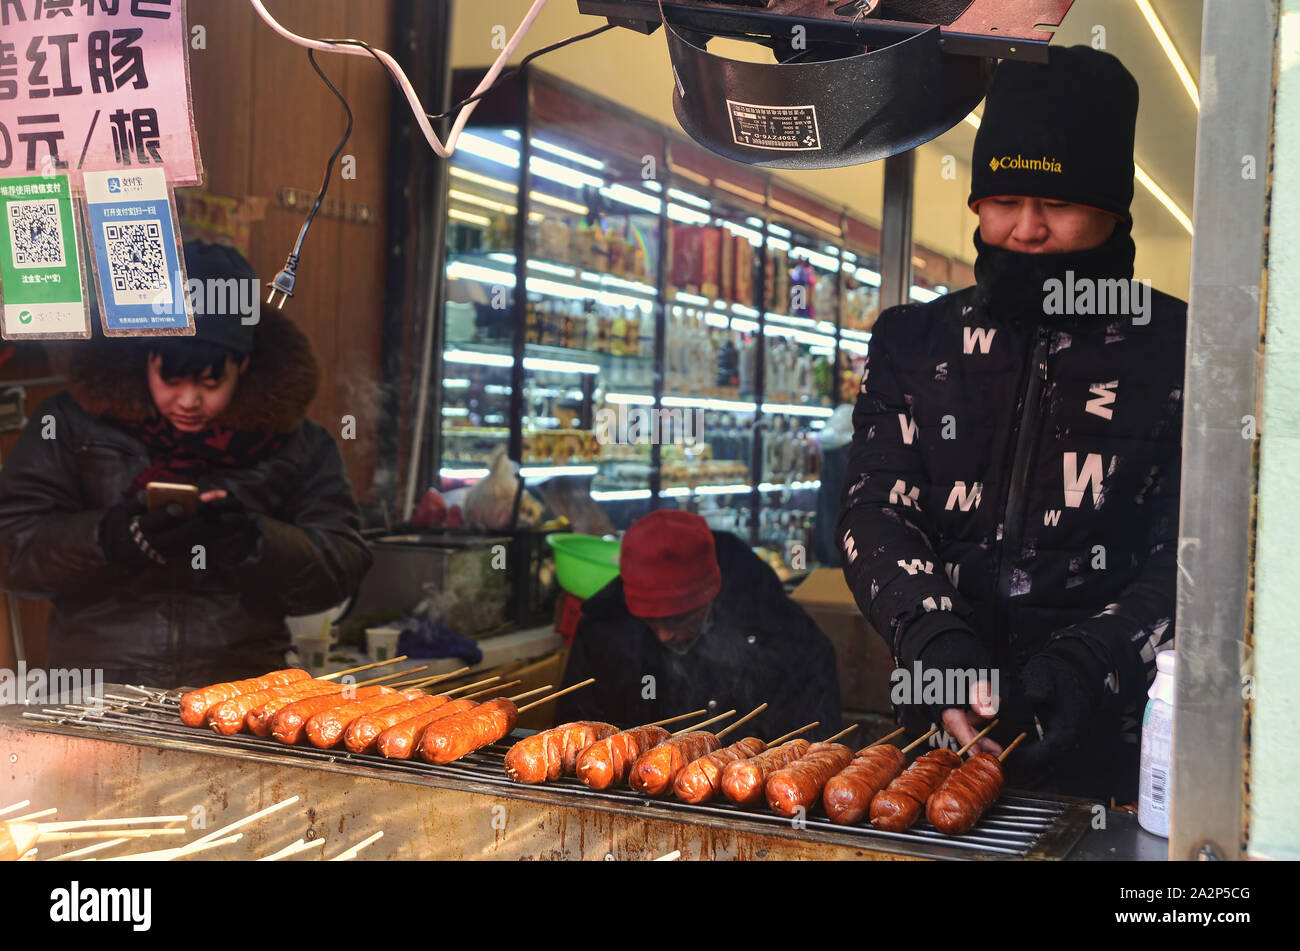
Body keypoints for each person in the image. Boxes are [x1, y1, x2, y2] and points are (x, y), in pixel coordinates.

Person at [837, 46, 1185, 803]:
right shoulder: (913, 341)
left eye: (1057, 204)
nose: (1026, 230)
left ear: (1114, 212)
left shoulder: (1179, 350)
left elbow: (1194, 554)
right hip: (936, 747)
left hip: (1114, 749)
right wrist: (933, 639)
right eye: (1003, 200)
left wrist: (1088, 662)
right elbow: (875, 509)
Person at [0, 241, 372, 686]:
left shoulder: (298, 443)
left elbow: (341, 567)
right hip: (93, 689)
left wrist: (254, 541)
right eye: (171, 379)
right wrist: (111, 538)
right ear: (145, 358)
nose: (190, 401)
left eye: (212, 382)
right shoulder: (70, 423)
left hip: (240, 693)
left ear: (244, 364)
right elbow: (11, 549)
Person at [557, 509, 841, 740]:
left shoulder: (769, 618)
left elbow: (815, 708)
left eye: (679, 618)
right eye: (651, 621)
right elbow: (575, 731)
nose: (666, 634)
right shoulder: (605, 629)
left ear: (711, 595)